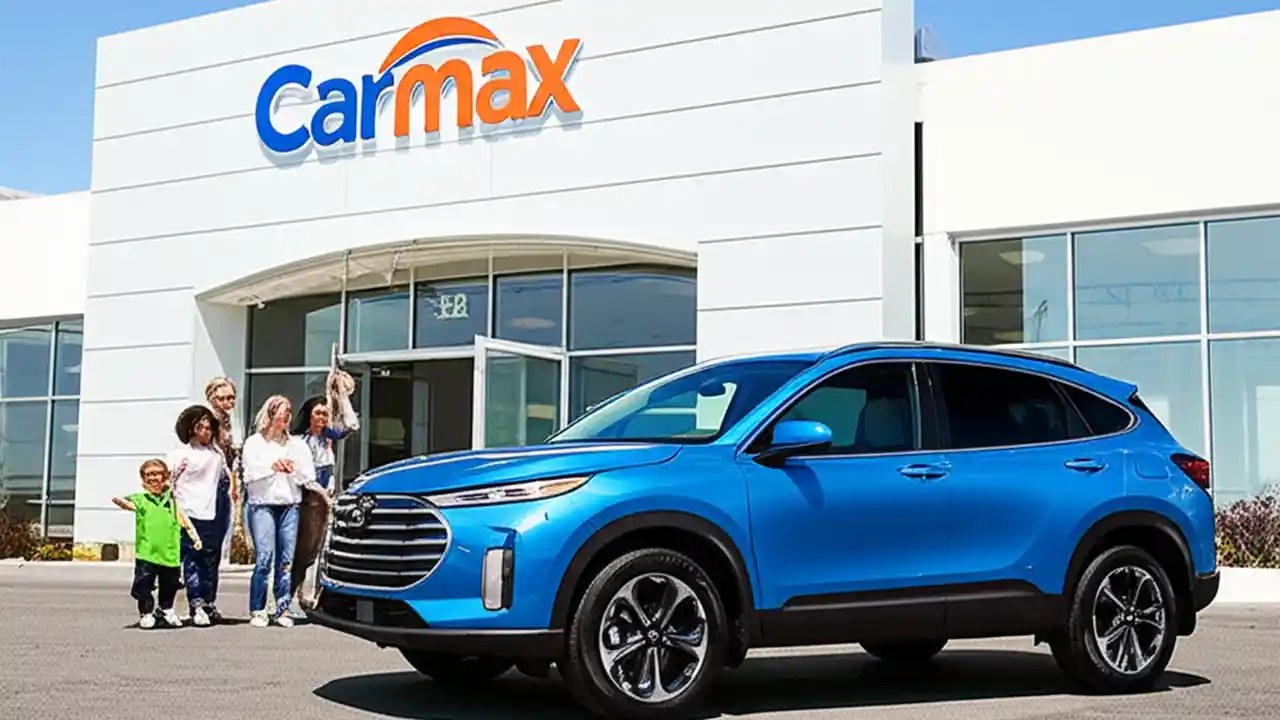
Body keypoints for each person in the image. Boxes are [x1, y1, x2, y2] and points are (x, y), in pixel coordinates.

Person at [241, 395, 330, 628]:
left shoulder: (297, 445)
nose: (286, 416)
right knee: (264, 558)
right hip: (262, 504)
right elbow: (248, 474)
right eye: (282, 411)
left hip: (290, 505)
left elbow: (308, 477)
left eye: (289, 411)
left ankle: (282, 607)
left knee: (286, 560)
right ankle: (258, 608)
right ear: (270, 414)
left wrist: (293, 470)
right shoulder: (254, 443)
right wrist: (272, 467)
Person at [288, 369, 361, 616]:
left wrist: (342, 396)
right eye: (318, 413)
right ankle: (289, 596)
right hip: (307, 499)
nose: (322, 417)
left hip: (324, 499)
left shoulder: (326, 438)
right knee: (303, 549)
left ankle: (308, 596)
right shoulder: (300, 441)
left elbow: (351, 424)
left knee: (318, 550)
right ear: (309, 415)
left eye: (325, 413)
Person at [112, 459, 203, 629]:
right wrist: (125, 504)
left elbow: (185, 521)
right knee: (143, 585)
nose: (153, 478)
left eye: (157, 474)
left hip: (169, 553)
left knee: (170, 585)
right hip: (147, 553)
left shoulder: (173, 502)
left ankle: (166, 610)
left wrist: (195, 538)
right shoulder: (140, 499)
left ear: (165, 477)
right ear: (143, 479)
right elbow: (122, 501)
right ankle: (146, 613)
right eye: (149, 475)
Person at [167, 405, 228, 627]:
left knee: (208, 562)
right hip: (187, 513)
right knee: (190, 561)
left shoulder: (217, 455)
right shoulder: (180, 455)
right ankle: (195, 605)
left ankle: (206, 602)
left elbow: (226, 479)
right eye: (200, 427)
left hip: (210, 514)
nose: (205, 431)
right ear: (190, 429)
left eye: (208, 427)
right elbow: (168, 483)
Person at [204, 377, 242, 567]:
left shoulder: (231, 421)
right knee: (209, 527)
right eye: (222, 398)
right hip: (210, 479)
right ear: (212, 398)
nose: (227, 402)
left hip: (226, 479)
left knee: (223, 525)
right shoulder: (207, 421)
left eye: (231, 398)